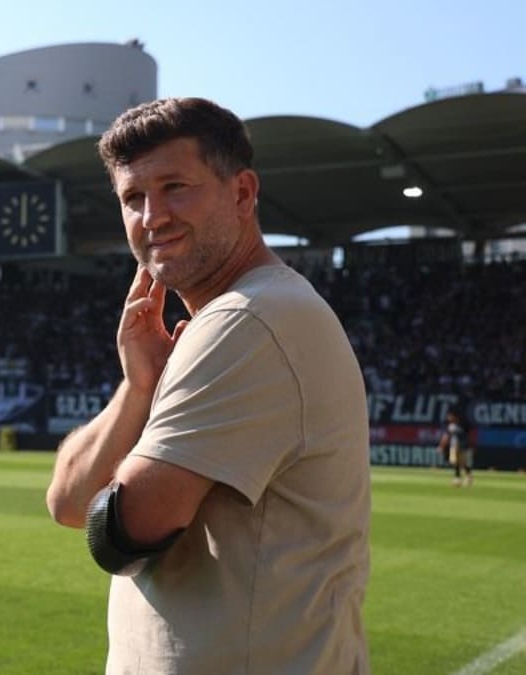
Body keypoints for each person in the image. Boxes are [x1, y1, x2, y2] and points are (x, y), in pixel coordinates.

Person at [45, 98, 371, 674]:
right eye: (132, 198)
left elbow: (122, 528)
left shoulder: (250, 316)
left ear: (243, 194)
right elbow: (68, 503)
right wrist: (138, 388)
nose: (152, 217)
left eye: (175, 187)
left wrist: (124, 480)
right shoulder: (233, 319)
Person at [438, 408, 475, 487]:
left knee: (462, 462)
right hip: (454, 445)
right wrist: (441, 446)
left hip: (464, 446)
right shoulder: (448, 425)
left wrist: (470, 444)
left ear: (454, 416)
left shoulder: (463, 423)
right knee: (454, 461)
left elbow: (470, 434)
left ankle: (466, 476)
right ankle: (458, 478)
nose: (448, 417)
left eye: (450, 416)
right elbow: (446, 436)